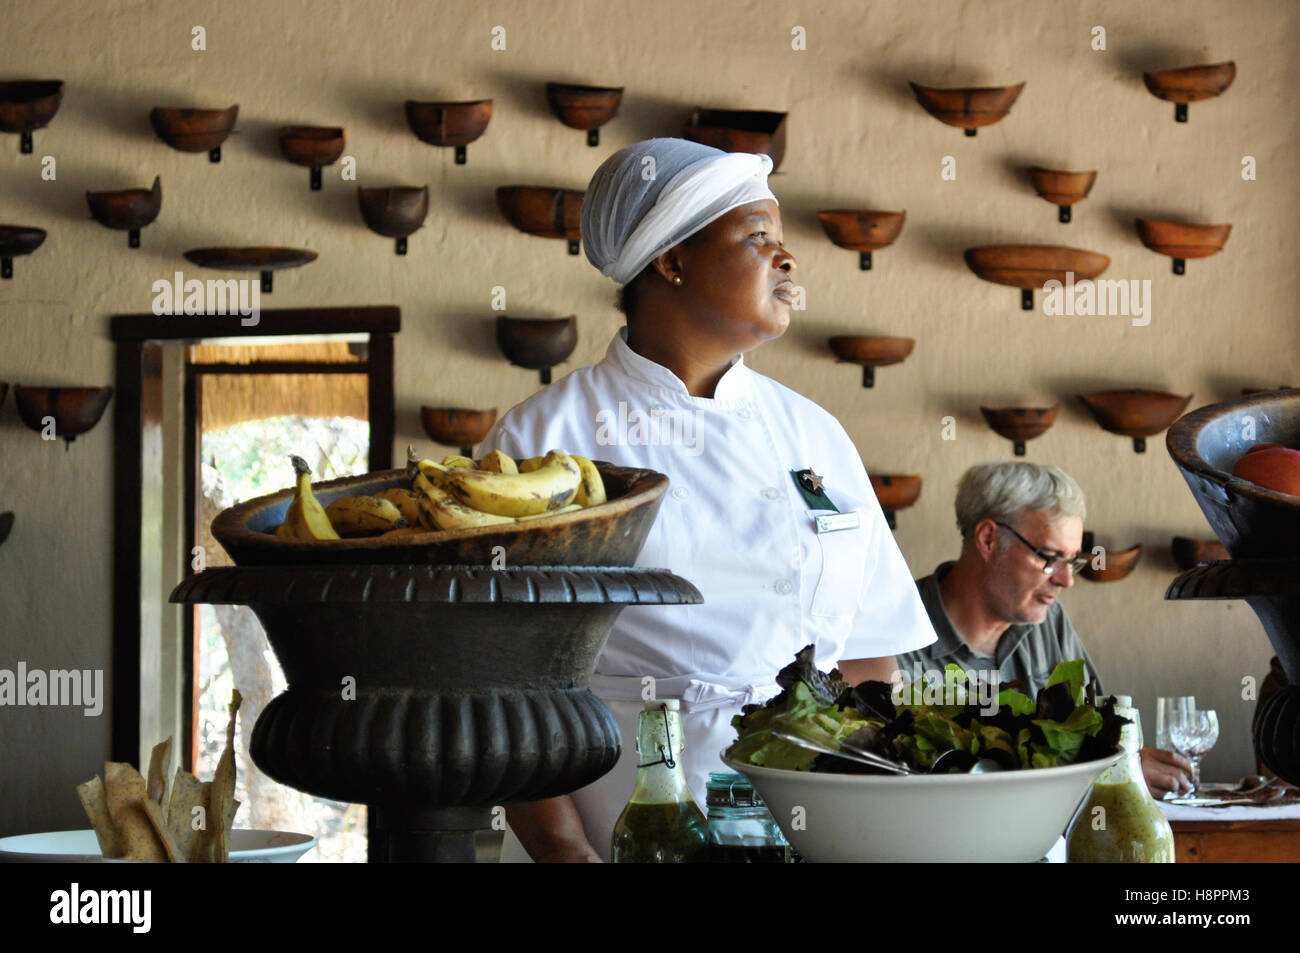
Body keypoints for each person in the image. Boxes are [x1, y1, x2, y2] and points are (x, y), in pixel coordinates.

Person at [479, 137, 938, 862]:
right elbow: (501, 685)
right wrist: (569, 853)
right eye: (758, 238)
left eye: (783, 242)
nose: (787, 261)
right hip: (618, 822)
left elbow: (871, 657)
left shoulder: (815, 434)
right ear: (671, 259)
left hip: (805, 819)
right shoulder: (545, 440)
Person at [897, 461, 1195, 798]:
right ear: (988, 539)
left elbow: (1099, 735)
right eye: (1051, 558)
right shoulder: (894, 630)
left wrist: (1124, 763)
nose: (1066, 580)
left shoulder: (1045, 620)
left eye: (1073, 561)